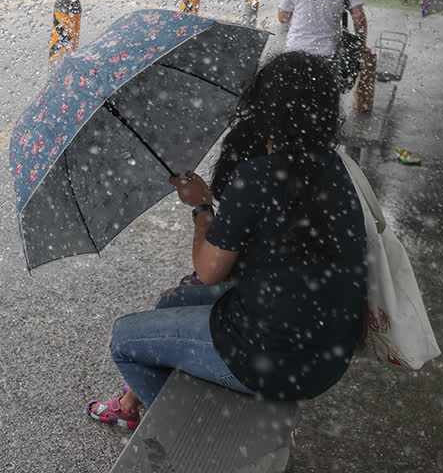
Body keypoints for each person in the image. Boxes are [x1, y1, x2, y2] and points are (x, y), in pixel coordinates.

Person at [86, 52, 367, 429]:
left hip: (268, 358)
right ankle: (130, 404)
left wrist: (201, 206)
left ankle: (183, 439)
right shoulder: (335, 166)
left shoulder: (258, 176)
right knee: (172, 302)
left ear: (267, 110)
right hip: (327, 356)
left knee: (122, 338)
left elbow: (208, 272)